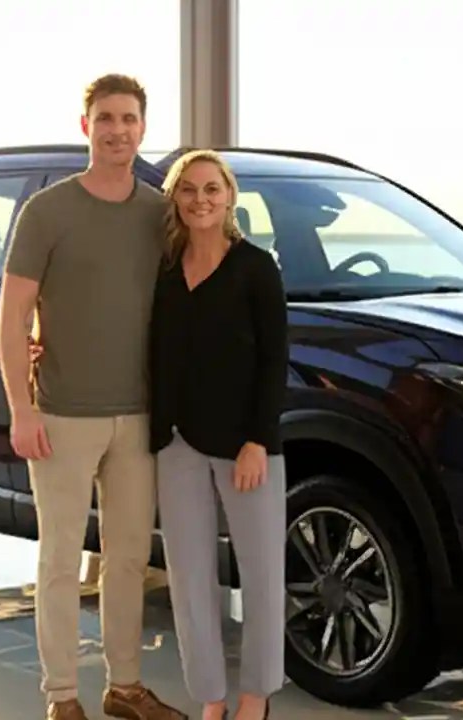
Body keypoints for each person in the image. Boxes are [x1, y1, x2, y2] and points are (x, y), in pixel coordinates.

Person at [0, 73, 187, 720]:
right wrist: (21, 409)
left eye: (129, 119)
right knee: (58, 563)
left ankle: (124, 688)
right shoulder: (48, 212)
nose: (117, 131)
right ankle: (61, 698)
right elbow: (12, 316)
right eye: (105, 118)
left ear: (143, 128)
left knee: (130, 559)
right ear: (87, 127)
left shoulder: (158, 214)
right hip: (60, 416)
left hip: (138, 418)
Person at [150, 149, 289, 720]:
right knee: (189, 581)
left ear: (230, 197)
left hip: (245, 447)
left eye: (212, 189)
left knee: (260, 577)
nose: (200, 199)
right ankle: (210, 699)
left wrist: (257, 439)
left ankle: (255, 698)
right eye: (189, 190)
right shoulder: (163, 269)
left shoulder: (257, 268)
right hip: (177, 444)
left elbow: (274, 360)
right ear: (175, 200)